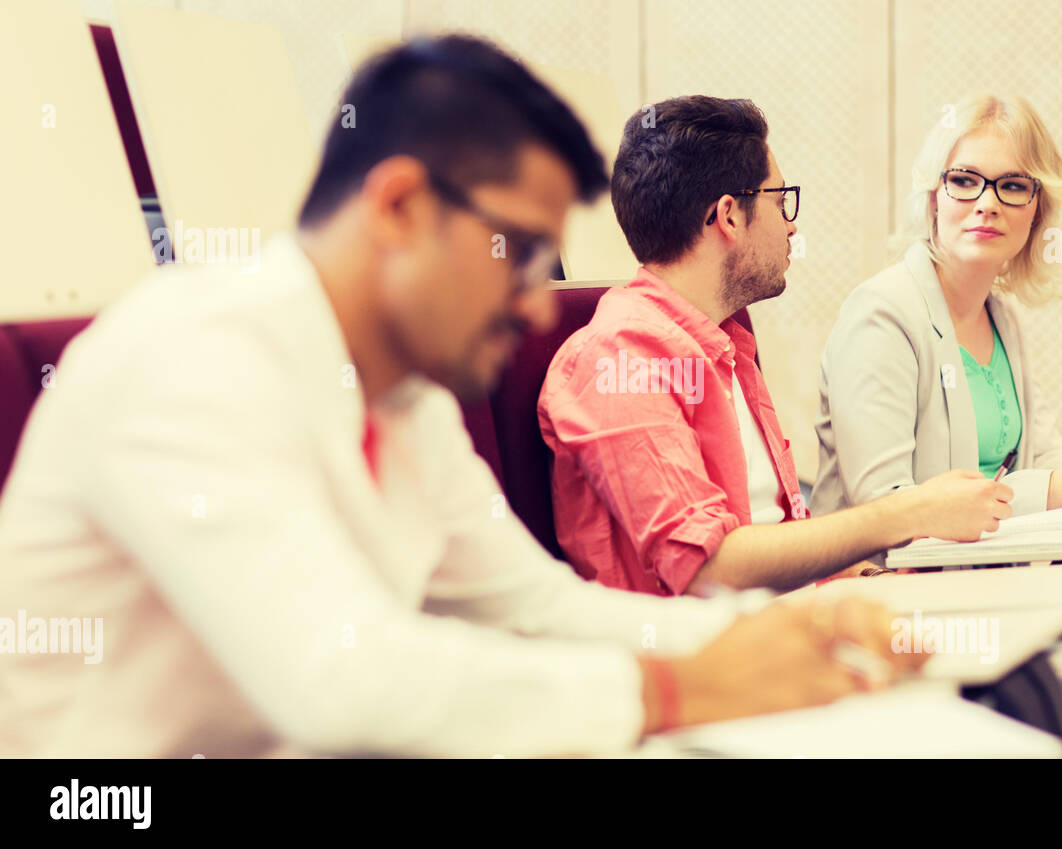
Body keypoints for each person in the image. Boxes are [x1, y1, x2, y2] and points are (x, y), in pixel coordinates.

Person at [0, 37, 920, 758]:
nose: (534, 302)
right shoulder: (190, 356)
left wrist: (783, 632)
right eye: (515, 253)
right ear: (398, 207)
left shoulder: (405, 396)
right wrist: (676, 689)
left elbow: (534, 608)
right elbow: (341, 675)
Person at [538, 96, 1012, 597]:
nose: (792, 225)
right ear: (730, 216)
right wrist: (909, 511)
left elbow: (780, 540)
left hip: (787, 626)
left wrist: (874, 580)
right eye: (780, 200)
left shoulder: (728, 342)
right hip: (703, 659)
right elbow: (708, 567)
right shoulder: (617, 361)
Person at [812, 94, 1062, 518]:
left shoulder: (1002, 317)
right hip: (882, 580)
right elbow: (883, 506)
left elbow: (1042, 459)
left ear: (1036, 211)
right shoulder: (880, 314)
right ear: (934, 197)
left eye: (1012, 186)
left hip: (986, 574)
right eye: (965, 180)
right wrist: (1059, 486)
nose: (987, 203)